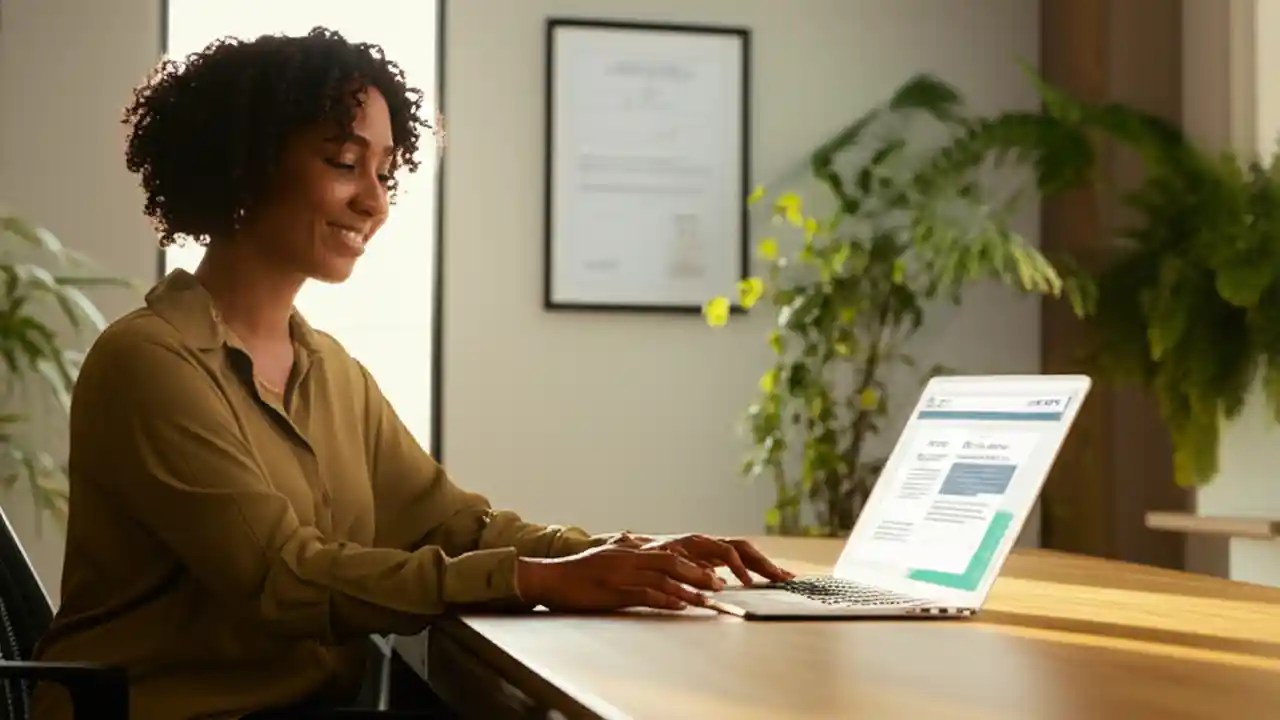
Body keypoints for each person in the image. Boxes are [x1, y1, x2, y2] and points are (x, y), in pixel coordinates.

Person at [29, 27, 794, 720]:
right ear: (245, 164)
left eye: (386, 171)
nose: (374, 200)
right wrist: (531, 579)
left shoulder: (329, 370)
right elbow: (282, 578)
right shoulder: (150, 362)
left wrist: (621, 553)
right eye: (342, 163)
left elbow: (453, 526)